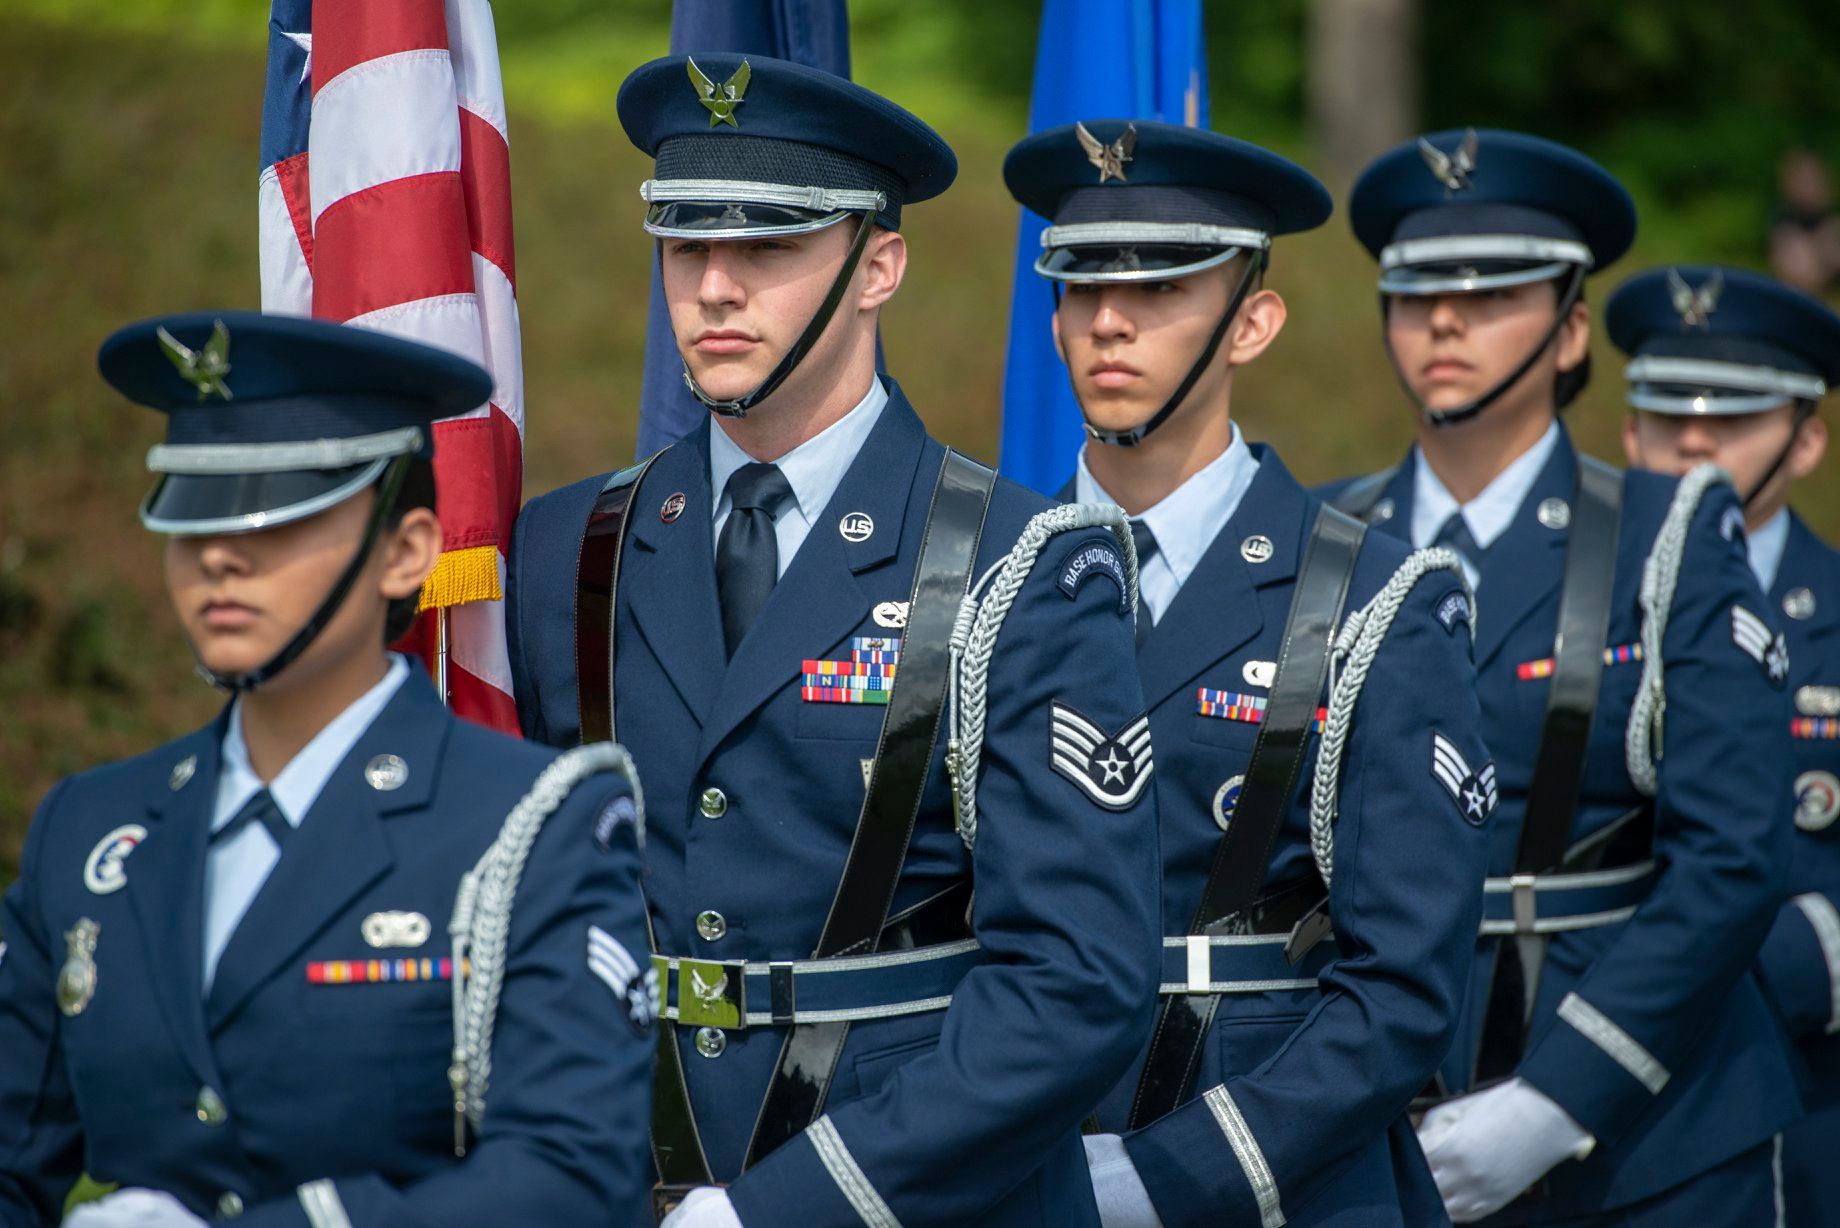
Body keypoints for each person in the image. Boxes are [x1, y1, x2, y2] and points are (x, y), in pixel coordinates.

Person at [505, 55, 1160, 1227]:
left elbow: (1077, 981)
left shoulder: (1024, 566)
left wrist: (792, 1205)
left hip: (909, 1194)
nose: (711, 287)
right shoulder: (568, 548)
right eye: (684, 244)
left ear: (878, 265)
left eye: (765, 247)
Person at [0, 313, 656, 1226]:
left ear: (407, 550)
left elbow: (573, 1178)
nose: (221, 555)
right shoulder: (87, 830)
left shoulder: (532, 828)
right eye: (193, 515)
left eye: (280, 513)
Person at [998, 118, 1496, 1228]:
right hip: (1004, 1169)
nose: (1108, 322)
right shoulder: (978, 573)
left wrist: (1173, 1177)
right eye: (1078, 287)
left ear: (1251, 322)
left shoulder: (1374, 602)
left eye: (1162, 287)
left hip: (1274, 1182)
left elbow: (1402, 988)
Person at [1321, 130, 1799, 1224]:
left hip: (1646, 1130)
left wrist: (1555, 1098)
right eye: (1414, 292)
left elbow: (1730, 858)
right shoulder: (1325, 538)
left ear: (1572, 325)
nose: (1443, 320)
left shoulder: (1666, 532)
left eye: (1491, 292)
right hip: (1381, 1119)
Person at [1610, 264, 1840, 1225]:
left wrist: (1722, 973)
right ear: (1628, 434)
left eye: (1734, 417)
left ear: (1808, 439)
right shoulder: (1570, 611)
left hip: (1791, 1063)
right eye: (1666, 415)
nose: (1695, 439)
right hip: (1573, 1067)